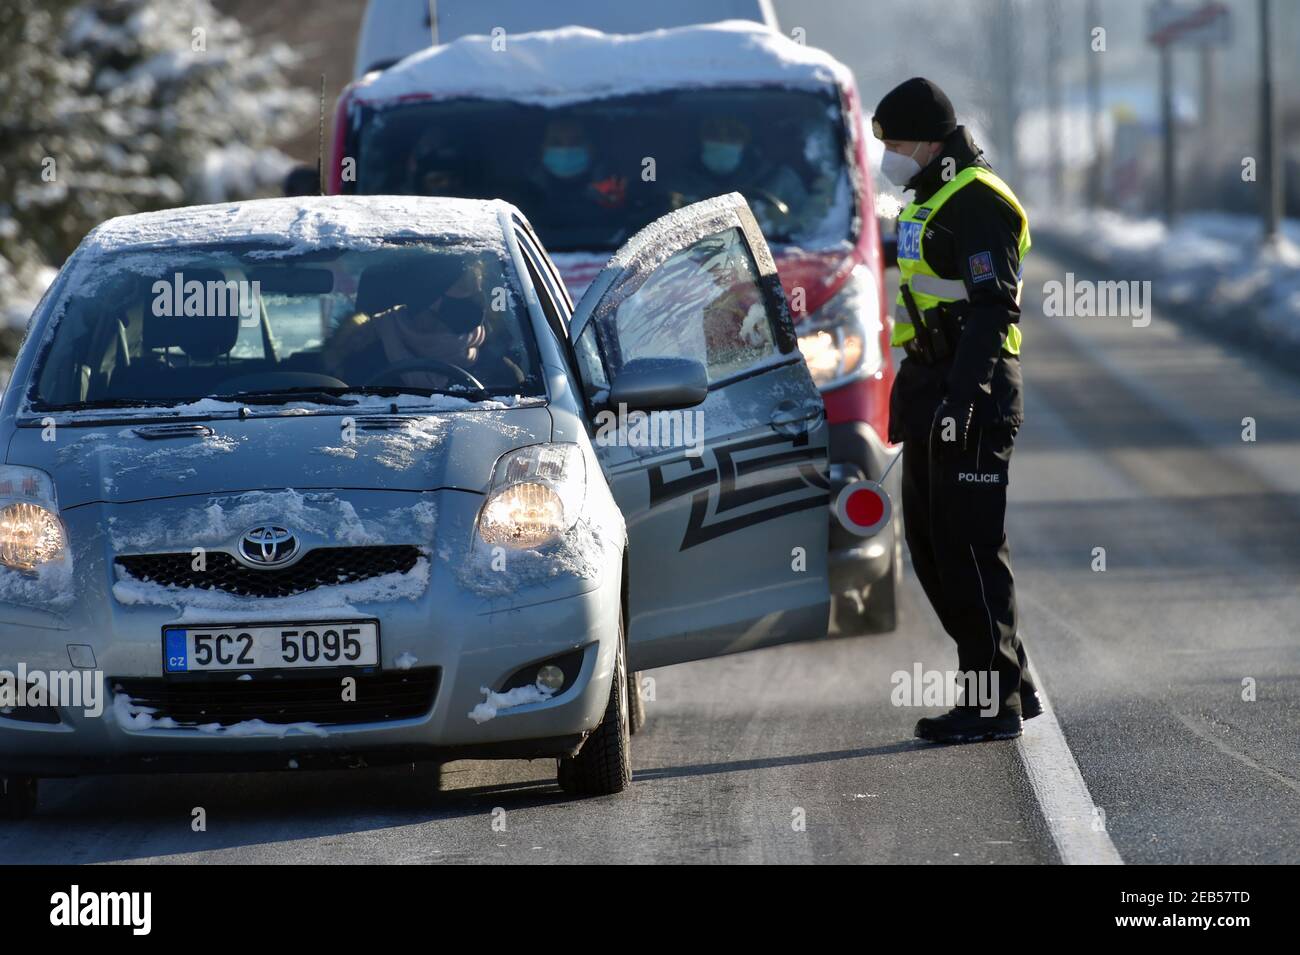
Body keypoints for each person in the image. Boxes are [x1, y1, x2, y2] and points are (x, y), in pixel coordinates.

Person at [873, 76, 1042, 743]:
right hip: (930, 388)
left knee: (969, 549)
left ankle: (989, 702)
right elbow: (921, 306)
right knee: (931, 548)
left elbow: (992, 308)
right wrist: (911, 400)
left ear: (928, 139)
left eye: (893, 142)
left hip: (972, 391)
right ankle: (1010, 679)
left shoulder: (977, 202)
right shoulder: (926, 196)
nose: (887, 154)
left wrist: (961, 401)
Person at [670, 116, 808, 236]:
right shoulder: (675, 186)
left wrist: (780, 220)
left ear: (747, 139)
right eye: (713, 132)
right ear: (699, 138)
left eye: (734, 133)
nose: (723, 140)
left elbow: (811, 233)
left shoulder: (781, 181)